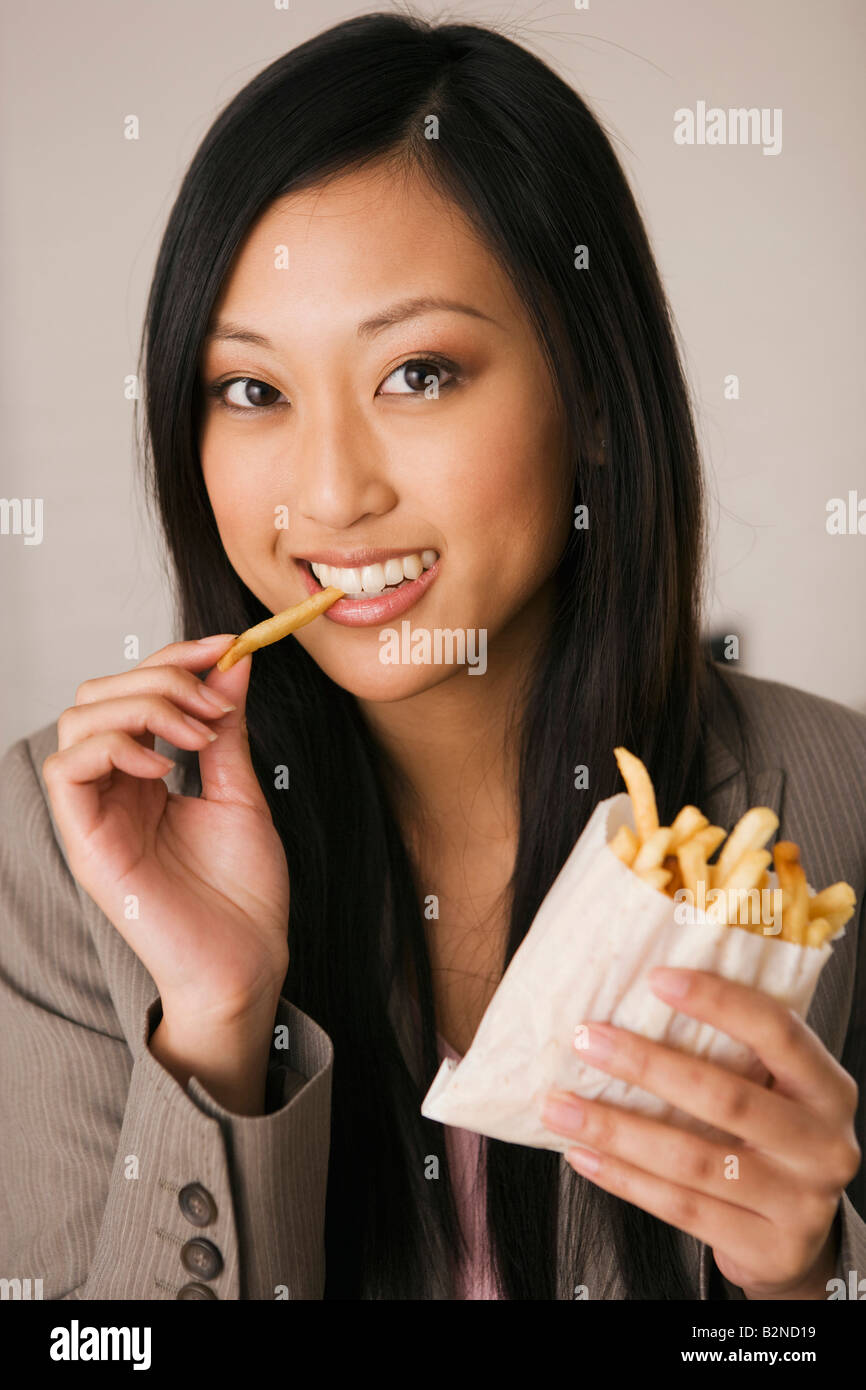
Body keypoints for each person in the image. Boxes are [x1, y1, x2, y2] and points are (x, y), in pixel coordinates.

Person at [1, 11, 863, 1301]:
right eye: (252, 390)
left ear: (596, 402)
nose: (330, 493)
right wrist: (220, 1028)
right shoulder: (58, 845)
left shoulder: (833, 799)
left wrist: (804, 1291)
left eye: (417, 374)